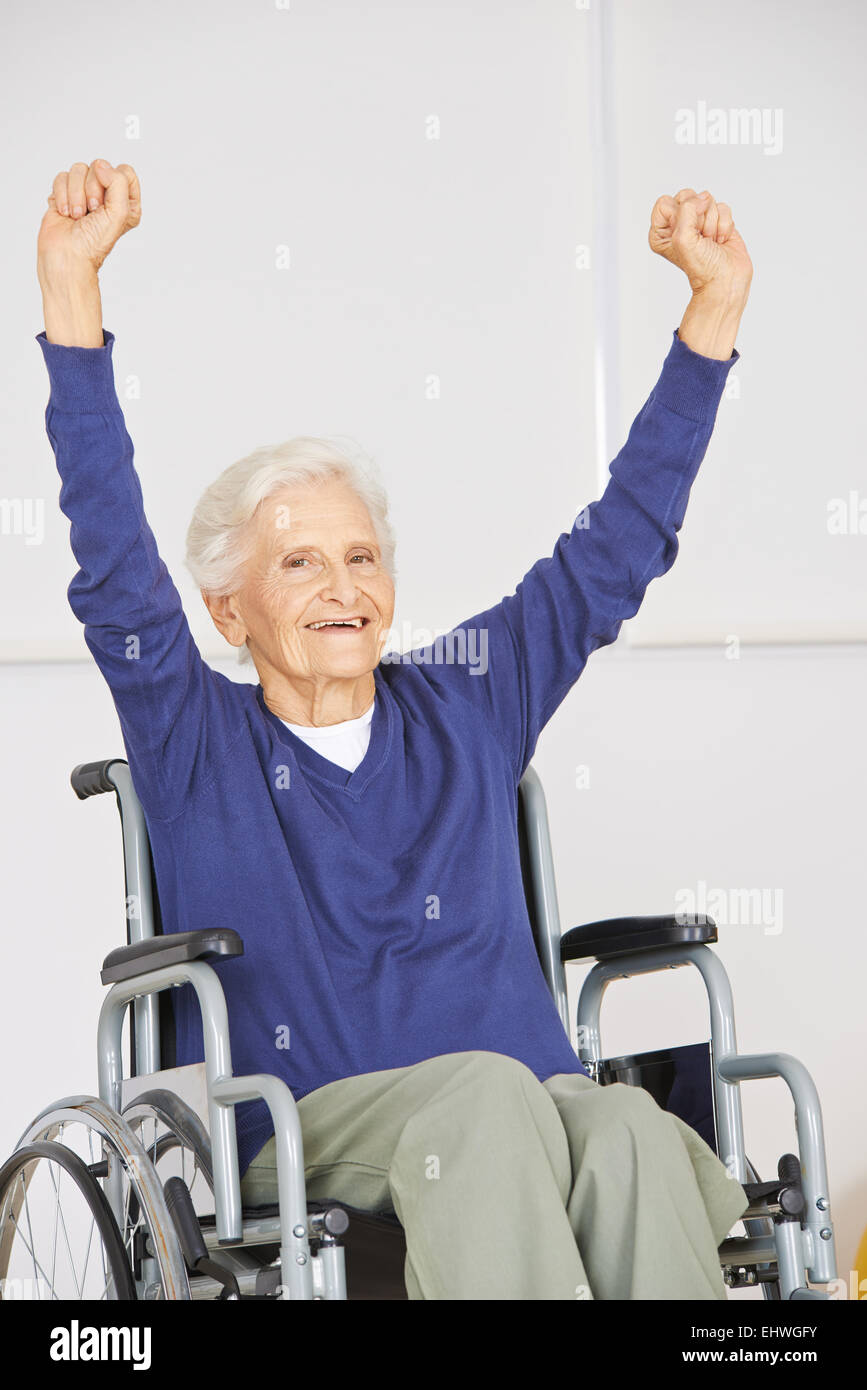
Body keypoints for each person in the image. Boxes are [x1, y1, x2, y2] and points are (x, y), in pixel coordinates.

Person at [36, 158, 753, 1299]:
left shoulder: (468, 697)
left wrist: (710, 314)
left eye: (363, 558)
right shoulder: (194, 738)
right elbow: (113, 560)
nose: (344, 586)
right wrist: (71, 294)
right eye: (301, 562)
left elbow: (614, 549)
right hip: (310, 1120)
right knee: (482, 1099)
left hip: (529, 1101)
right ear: (228, 607)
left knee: (622, 1125)